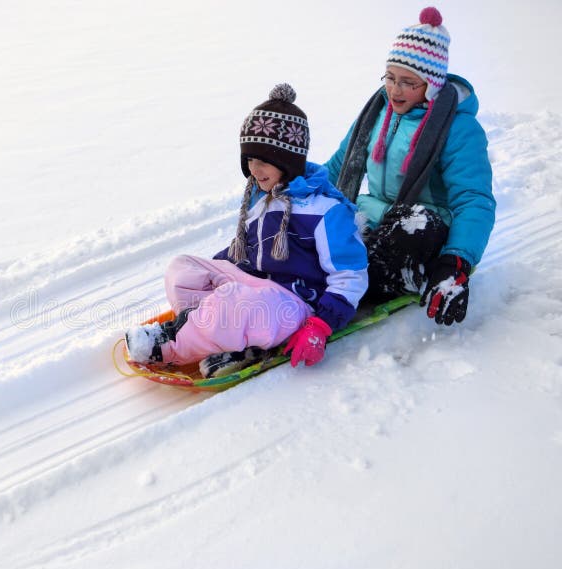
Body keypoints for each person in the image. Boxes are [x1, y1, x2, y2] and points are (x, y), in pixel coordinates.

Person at [125, 84, 368, 377]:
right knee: (183, 270)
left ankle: (168, 348)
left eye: (264, 160)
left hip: (297, 306)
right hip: (255, 289)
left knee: (235, 303)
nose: (255, 169)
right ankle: (211, 327)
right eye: (250, 159)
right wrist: (216, 274)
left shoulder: (326, 211)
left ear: (287, 160)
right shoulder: (261, 197)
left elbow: (351, 277)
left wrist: (321, 324)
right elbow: (246, 250)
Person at [324, 6, 496, 326]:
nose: (394, 89)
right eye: (390, 78)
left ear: (430, 85)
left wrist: (455, 262)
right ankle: (333, 273)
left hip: (424, 233)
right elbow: (337, 167)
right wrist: (293, 185)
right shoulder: (377, 113)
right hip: (377, 220)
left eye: (407, 82)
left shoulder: (458, 129)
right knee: (324, 224)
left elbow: (474, 199)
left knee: (409, 222)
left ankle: (349, 282)